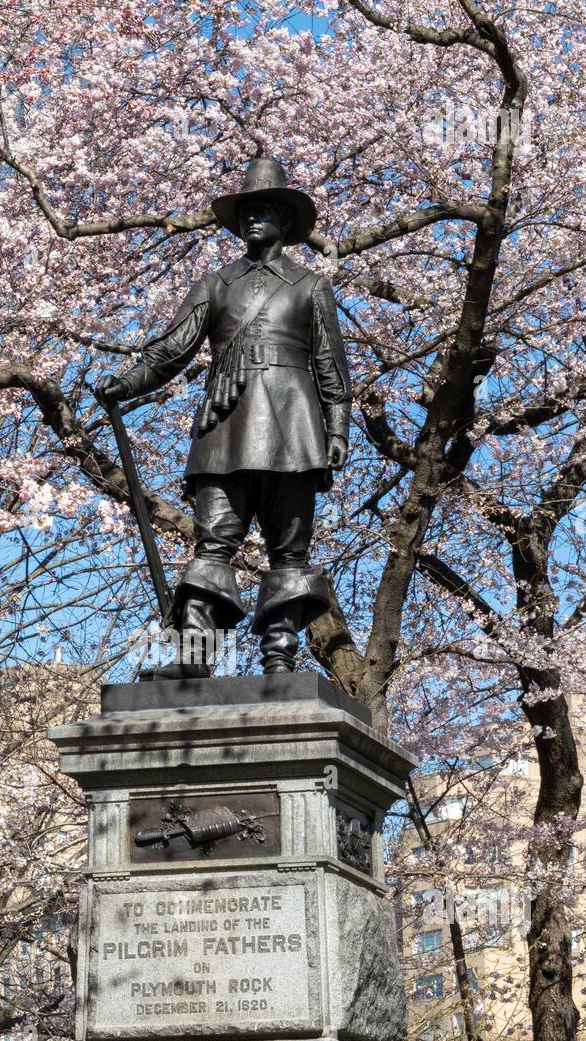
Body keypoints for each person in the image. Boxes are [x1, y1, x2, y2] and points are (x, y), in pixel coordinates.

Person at [97, 157, 352, 677]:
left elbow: (330, 365)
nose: (253, 218)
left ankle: (280, 657)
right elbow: (173, 349)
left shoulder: (310, 286)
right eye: (246, 210)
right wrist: (128, 381)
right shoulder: (215, 284)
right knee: (212, 542)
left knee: (290, 549)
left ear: (285, 219)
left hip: (295, 425)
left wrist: (339, 427)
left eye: (264, 209)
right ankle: (194, 659)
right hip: (226, 424)